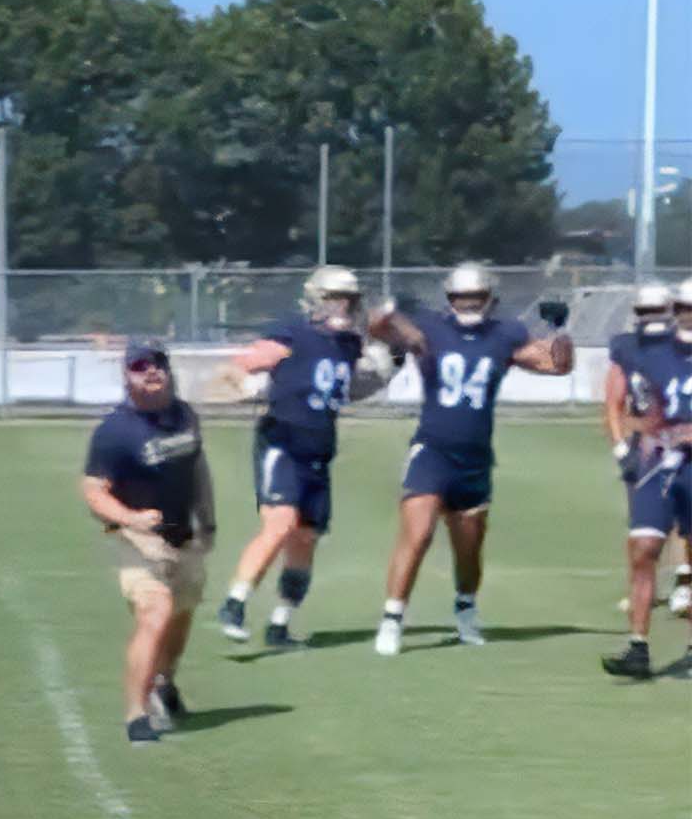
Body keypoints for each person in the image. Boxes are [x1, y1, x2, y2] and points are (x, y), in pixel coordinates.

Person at [366, 264, 574, 655]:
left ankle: (465, 608)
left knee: (468, 550)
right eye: (462, 297)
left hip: (475, 457)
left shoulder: (505, 334)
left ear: (490, 299)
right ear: (449, 299)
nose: (469, 304)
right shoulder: (429, 328)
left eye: (476, 298)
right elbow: (379, 328)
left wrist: (561, 329)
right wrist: (389, 310)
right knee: (418, 533)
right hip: (432, 448)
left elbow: (558, 364)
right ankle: (393, 617)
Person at [212, 266, 374, 648]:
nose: (345, 307)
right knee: (280, 524)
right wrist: (242, 383)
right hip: (282, 443)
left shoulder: (349, 344)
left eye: (349, 300)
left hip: (318, 451)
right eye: (337, 298)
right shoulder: (293, 332)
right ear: (317, 299)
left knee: (305, 539)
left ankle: (280, 625)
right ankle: (235, 603)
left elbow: (345, 389)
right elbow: (242, 363)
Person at [79, 340, 216, 743]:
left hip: (184, 536)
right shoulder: (115, 431)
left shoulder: (185, 416)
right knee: (155, 611)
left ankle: (164, 683)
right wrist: (132, 520)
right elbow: (93, 491)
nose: (151, 371)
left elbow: (197, 467)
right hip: (137, 540)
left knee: (180, 618)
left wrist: (208, 519)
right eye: (140, 366)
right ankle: (136, 715)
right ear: (126, 375)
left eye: (158, 363)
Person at [602, 277, 692, 680]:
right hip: (658, 464)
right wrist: (641, 436)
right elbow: (634, 405)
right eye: (685, 307)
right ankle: (638, 647)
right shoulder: (650, 351)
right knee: (643, 548)